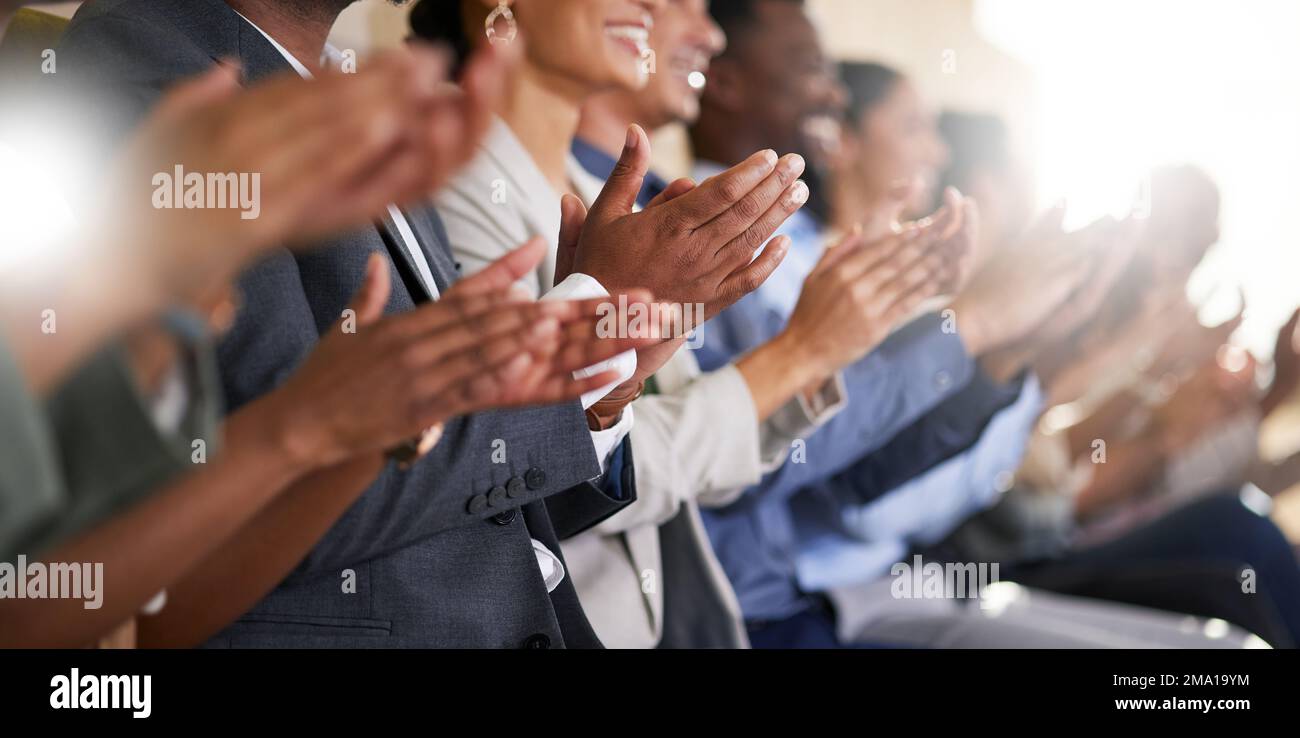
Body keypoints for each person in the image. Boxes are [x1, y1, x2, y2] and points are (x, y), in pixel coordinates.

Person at [52, 0, 672, 649]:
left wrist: (597, 393)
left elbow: (484, 503)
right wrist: (572, 348)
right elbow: (280, 489)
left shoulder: (350, 88)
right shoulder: (146, 58)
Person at [415, 0, 971, 648]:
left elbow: (683, 448)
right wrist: (800, 352)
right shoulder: (447, 182)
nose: (661, 12)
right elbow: (519, 471)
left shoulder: (588, 185)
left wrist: (836, 332)